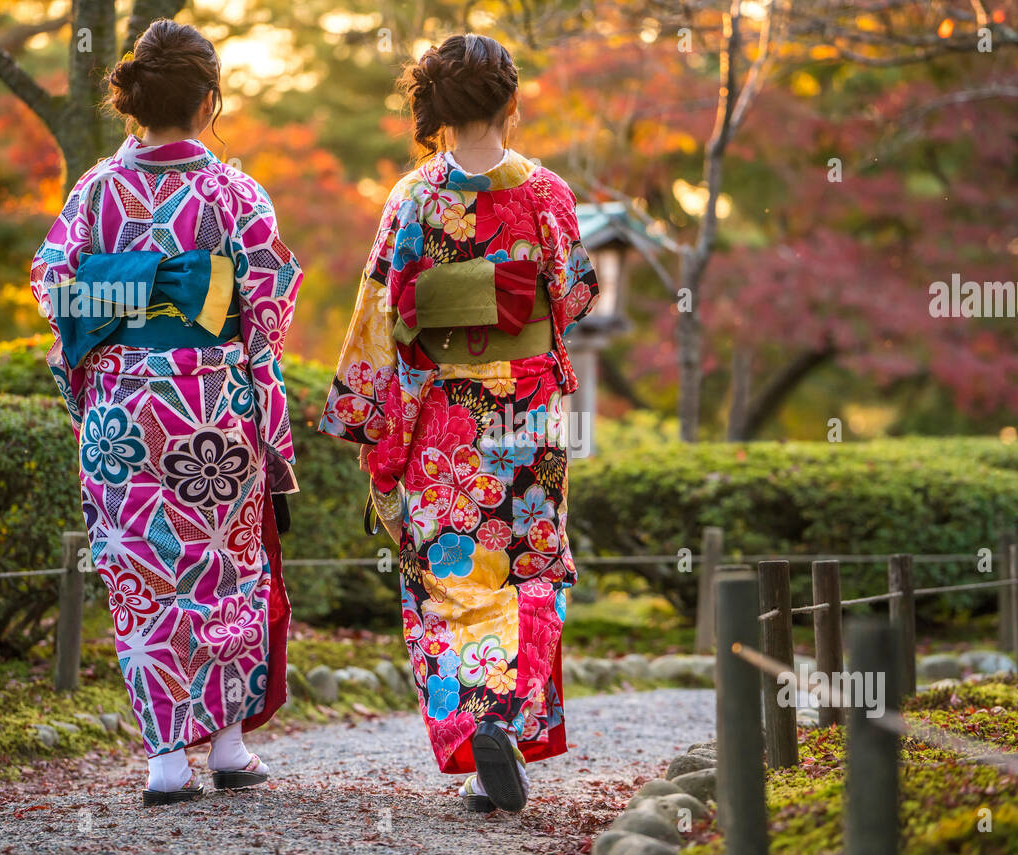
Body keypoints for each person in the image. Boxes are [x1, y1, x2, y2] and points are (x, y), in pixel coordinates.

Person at [319, 33, 599, 813]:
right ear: (513, 103)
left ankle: (480, 729)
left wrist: (373, 424)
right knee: (532, 567)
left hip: (445, 417)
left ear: (436, 109)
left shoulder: (413, 198)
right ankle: (503, 727)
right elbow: (573, 296)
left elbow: (380, 313)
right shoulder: (547, 193)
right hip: (530, 410)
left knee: (450, 574)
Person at [29, 19, 302, 806]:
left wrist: (109, 337)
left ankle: (165, 762)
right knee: (223, 569)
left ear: (134, 99)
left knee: (141, 576)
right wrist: (262, 408)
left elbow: (57, 293)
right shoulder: (235, 192)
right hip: (210, 404)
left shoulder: (95, 191)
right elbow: (266, 308)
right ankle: (225, 744)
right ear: (210, 100)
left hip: (120, 406)